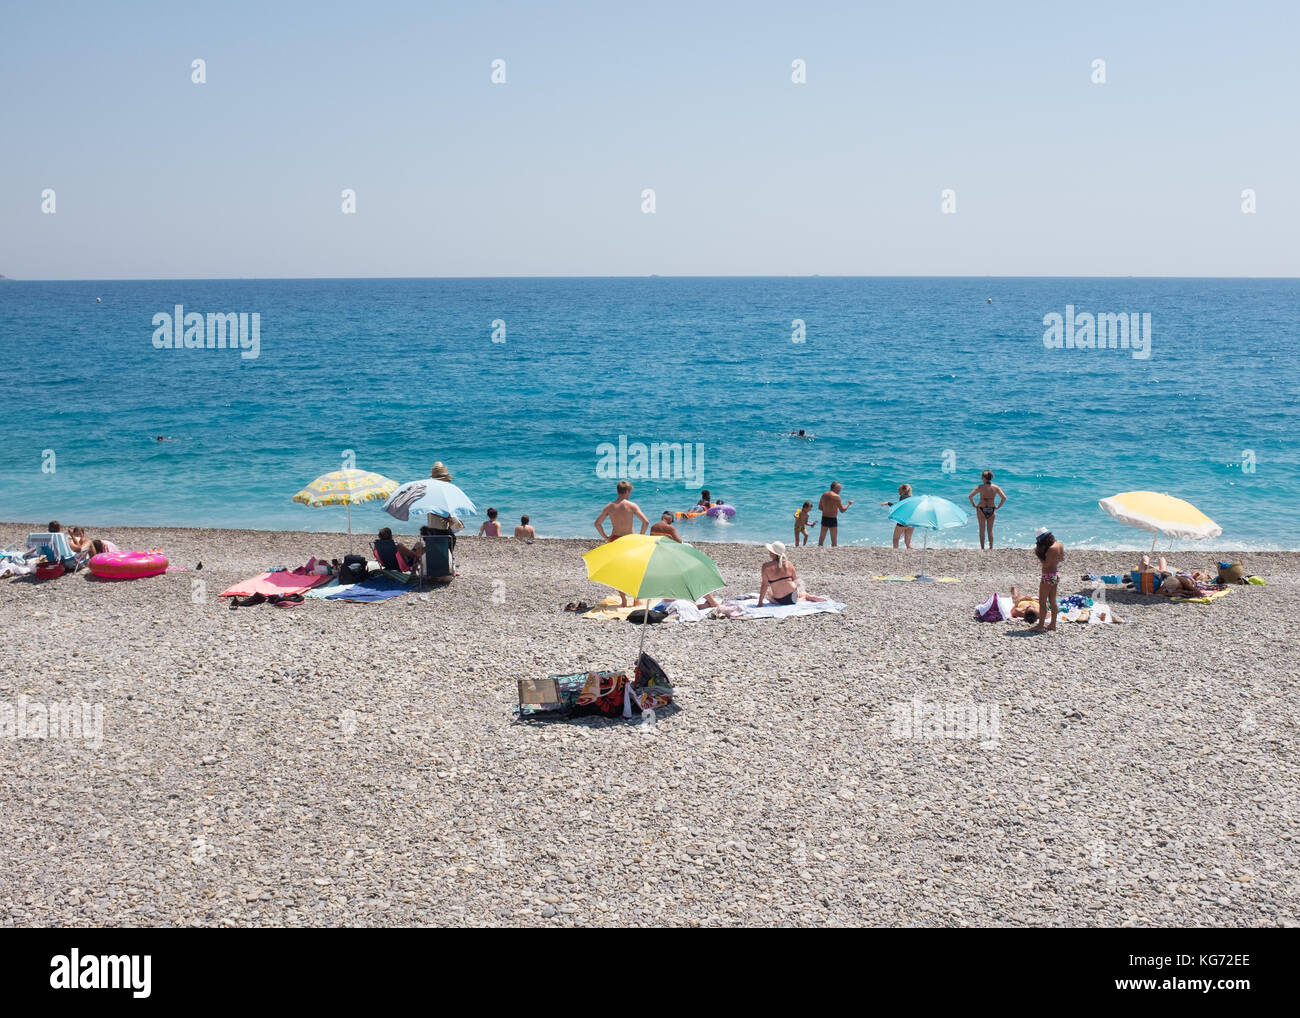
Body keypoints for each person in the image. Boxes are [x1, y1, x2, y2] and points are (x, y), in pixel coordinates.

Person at [595, 481, 650, 606]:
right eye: (630, 492)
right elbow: (646, 522)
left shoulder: (609, 506)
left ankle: (624, 600)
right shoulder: (632, 506)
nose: (630, 494)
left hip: (615, 539)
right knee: (634, 569)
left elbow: (597, 523)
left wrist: (606, 537)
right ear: (626, 491)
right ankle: (636, 599)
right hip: (630, 540)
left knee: (619, 570)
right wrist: (640, 536)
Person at [757, 541, 828, 606]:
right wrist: (801, 591)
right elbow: (796, 580)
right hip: (793, 597)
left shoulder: (766, 567)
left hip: (779, 599)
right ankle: (805, 596)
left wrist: (760, 603)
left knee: (770, 593)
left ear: (773, 553)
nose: (769, 552)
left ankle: (781, 603)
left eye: (770, 551)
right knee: (795, 587)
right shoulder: (789, 564)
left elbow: (764, 585)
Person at [1033, 528, 1065, 631]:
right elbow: (1061, 559)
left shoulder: (1051, 549)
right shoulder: (1059, 545)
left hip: (1047, 576)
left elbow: (1046, 564)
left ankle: (1040, 626)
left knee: (1042, 602)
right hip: (1055, 574)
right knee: (1053, 601)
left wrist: (1039, 555)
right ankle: (1052, 625)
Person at [968, 470, 1007, 550]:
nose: (981, 478)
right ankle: (991, 548)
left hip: (981, 509)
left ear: (984, 478)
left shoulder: (980, 487)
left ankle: (982, 548)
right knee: (990, 530)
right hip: (992, 509)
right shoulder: (996, 487)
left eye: (982, 477)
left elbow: (970, 496)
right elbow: (1004, 498)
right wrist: (998, 506)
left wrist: (973, 504)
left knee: (982, 530)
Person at [817, 482, 854, 547]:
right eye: (839, 489)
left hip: (824, 517)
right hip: (832, 519)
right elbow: (842, 510)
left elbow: (820, 507)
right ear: (834, 488)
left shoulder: (824, 494)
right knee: (834, 541)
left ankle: (818, 553)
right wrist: (849, 504)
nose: (840, 490)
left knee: (821, 540)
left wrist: (827, 510)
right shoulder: (837, 497)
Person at [879, 484, 914, 549]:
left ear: (903, 490)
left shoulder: (903, 497)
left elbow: (898, 508)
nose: (898, 491)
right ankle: (912, 553)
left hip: (903, 522)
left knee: (895, 539)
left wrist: (888, 503)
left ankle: (895, 553)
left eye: (899, 490)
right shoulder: (912, 498)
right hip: (911, 522)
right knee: (908, 541)